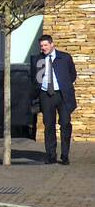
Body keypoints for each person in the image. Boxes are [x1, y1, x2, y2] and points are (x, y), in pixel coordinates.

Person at [33, 34, 78, 165]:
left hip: (63, 95)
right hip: (46, 95)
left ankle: (65, 155)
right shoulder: (38, 59)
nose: (43, 48)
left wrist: (65, 85)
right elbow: (35, 78)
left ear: (52, 44)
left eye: (46, 45)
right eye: (41, 46)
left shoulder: (64, 57)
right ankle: (51, 155)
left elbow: (72, 75)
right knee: (49, 125)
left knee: (65, 123)